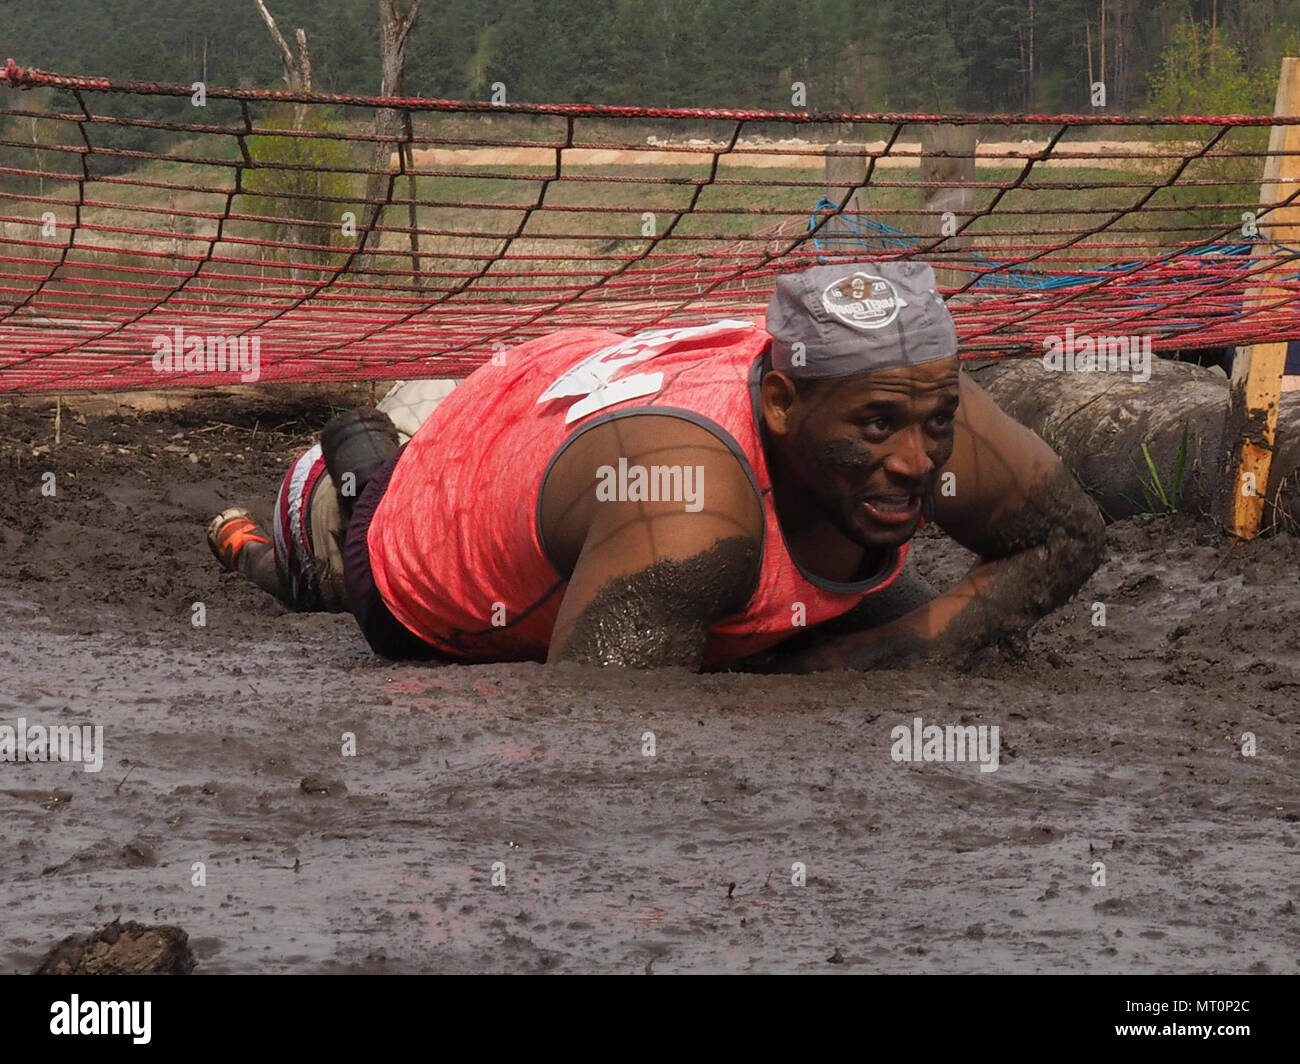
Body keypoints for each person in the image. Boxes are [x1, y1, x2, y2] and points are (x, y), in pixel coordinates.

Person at [330, 260, 1106, 672]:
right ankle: (352, 451)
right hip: (434, 507)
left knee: (923, 625)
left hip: (596, 377)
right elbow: (596, 723)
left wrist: (877, 664)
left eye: (933, 423)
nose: (915, 460)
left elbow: (1068, 538)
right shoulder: (686, 511)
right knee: (323, 550)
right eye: (876, 427)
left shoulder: (917, 392)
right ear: (778, 404)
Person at [205, 380, 457, 611]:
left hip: (322, 524)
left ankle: (244, 549)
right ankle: (244, 549)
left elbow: (354, 434)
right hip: (330, 551)